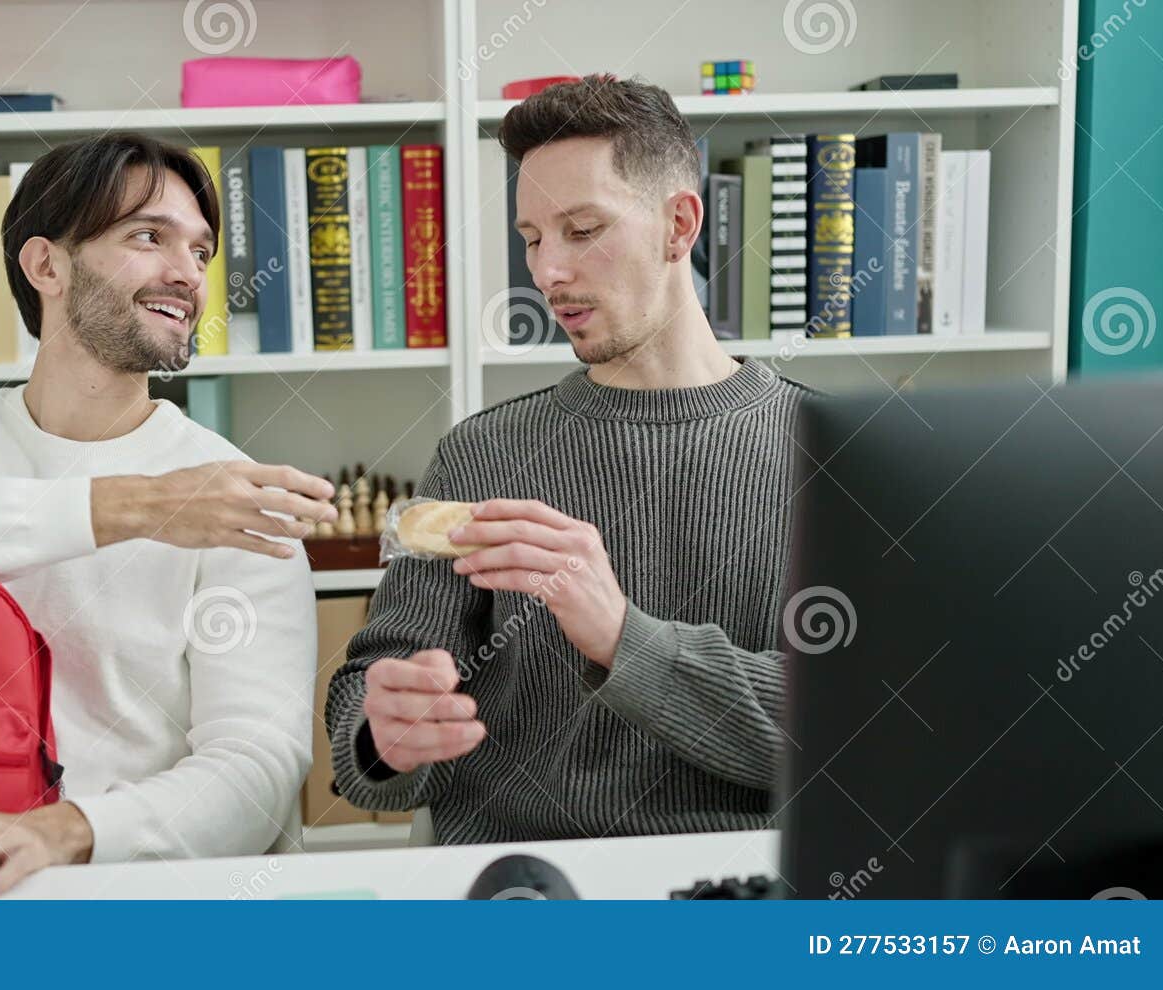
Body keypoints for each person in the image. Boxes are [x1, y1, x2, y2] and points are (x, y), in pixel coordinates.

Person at [0, 133, 337, 897]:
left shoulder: (230, 500)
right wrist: (132, 506)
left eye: (202, 251)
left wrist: (66, 832)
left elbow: (258, 768)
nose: (187, 274)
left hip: (133, 897)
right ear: (46, 265)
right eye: (148, 237)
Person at [326, 76, 813, 843]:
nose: (547, 272)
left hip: (745, 899)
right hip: (523, 899)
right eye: (531, 238)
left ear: (678, 225)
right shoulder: (483, 454)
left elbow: (857, 738)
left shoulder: (829, 452)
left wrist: (624, 637)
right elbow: (372, 715)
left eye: (582, 230)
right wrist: (382, 737)